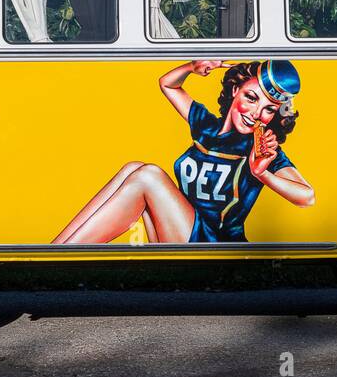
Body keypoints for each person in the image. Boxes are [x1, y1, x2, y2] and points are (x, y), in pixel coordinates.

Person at [52, 59, 314, 244]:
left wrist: (262, 173)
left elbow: (307, 196)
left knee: (149, 175)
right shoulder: (205, 126)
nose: (256, 113)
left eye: (268, 109)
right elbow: (167, 84)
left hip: (214, 247)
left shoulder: (261, 149)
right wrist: (193, 67)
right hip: (179, 233)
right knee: (134, 168)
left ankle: (61, 260)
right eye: (251, 98)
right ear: (236, 90)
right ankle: (56, 252)